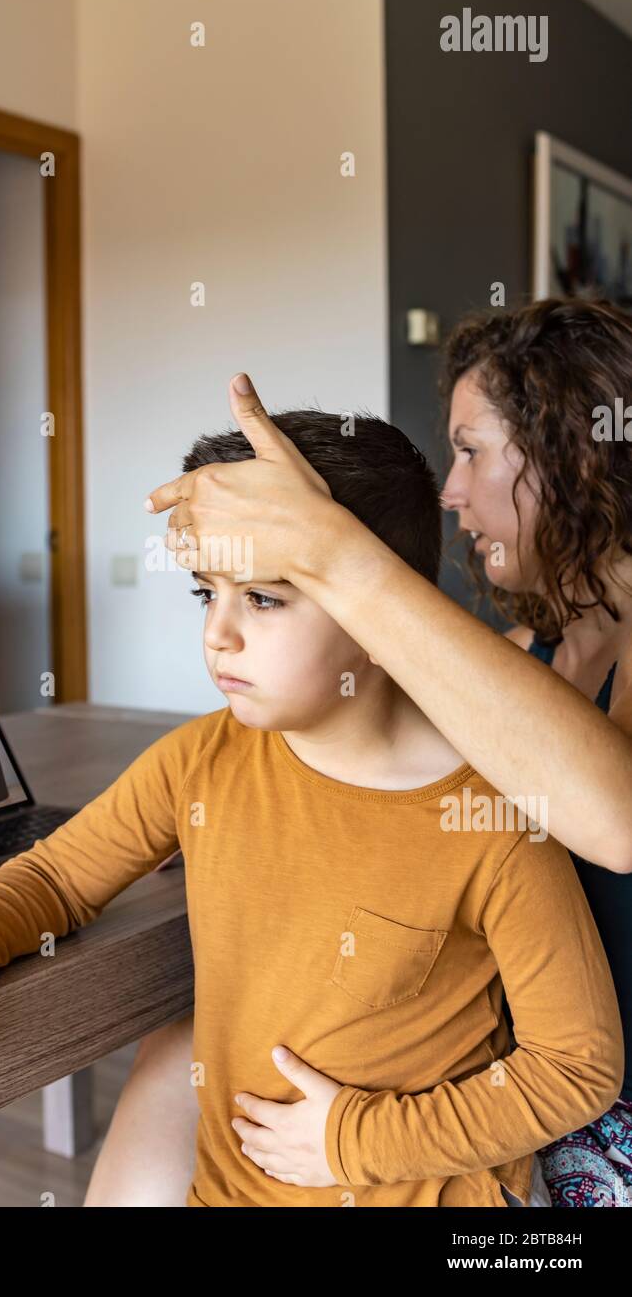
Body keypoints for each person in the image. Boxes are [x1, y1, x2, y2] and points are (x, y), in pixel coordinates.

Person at [0, 407, 622, 1207]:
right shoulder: (203, 760)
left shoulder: (495, 816)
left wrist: (355, 1141)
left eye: (261, 598)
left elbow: (578, 1066)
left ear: (381, 612)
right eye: (205, 594)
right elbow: (57, 878)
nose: (217, 634)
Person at [117, 296, 632, 1208]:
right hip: (488, 1083)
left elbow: (616, 816)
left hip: (583, 1110)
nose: (451, 489)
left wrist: (333, 553)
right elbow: (393, 755)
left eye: (471, 450)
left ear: (575, 450)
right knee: (177, 1060)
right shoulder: (528, 658)